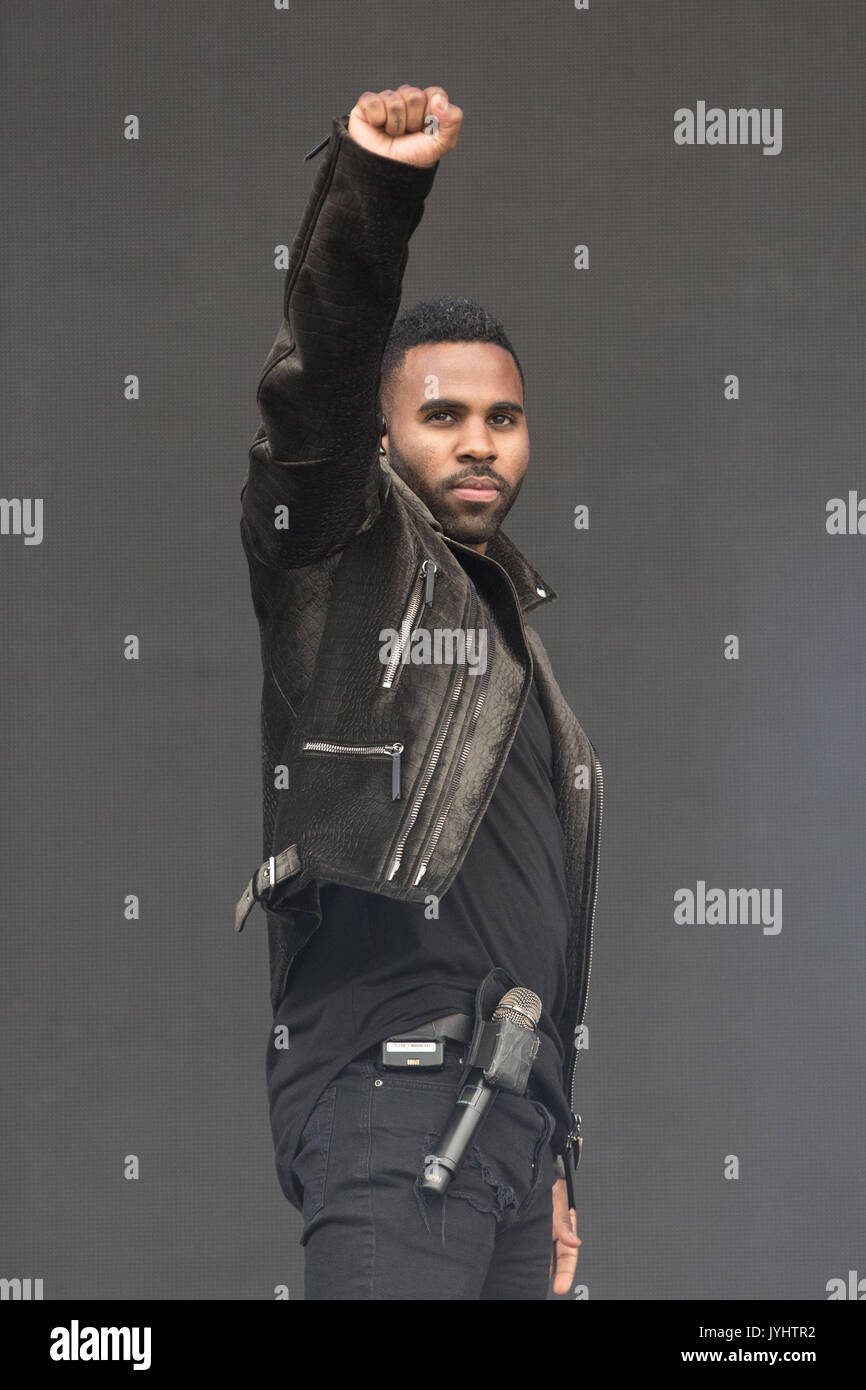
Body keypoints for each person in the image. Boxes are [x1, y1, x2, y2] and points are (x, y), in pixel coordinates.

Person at [236, 84, 604, 1300]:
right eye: (440, 415)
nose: (479, 441)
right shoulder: (339, 564)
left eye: (502, 416)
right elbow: (314, 391)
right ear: (384, 440)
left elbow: (526, 930)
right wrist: (375, 192)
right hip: (397, 1113)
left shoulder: (516, 657)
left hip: (503, 1142)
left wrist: (553, 1154)